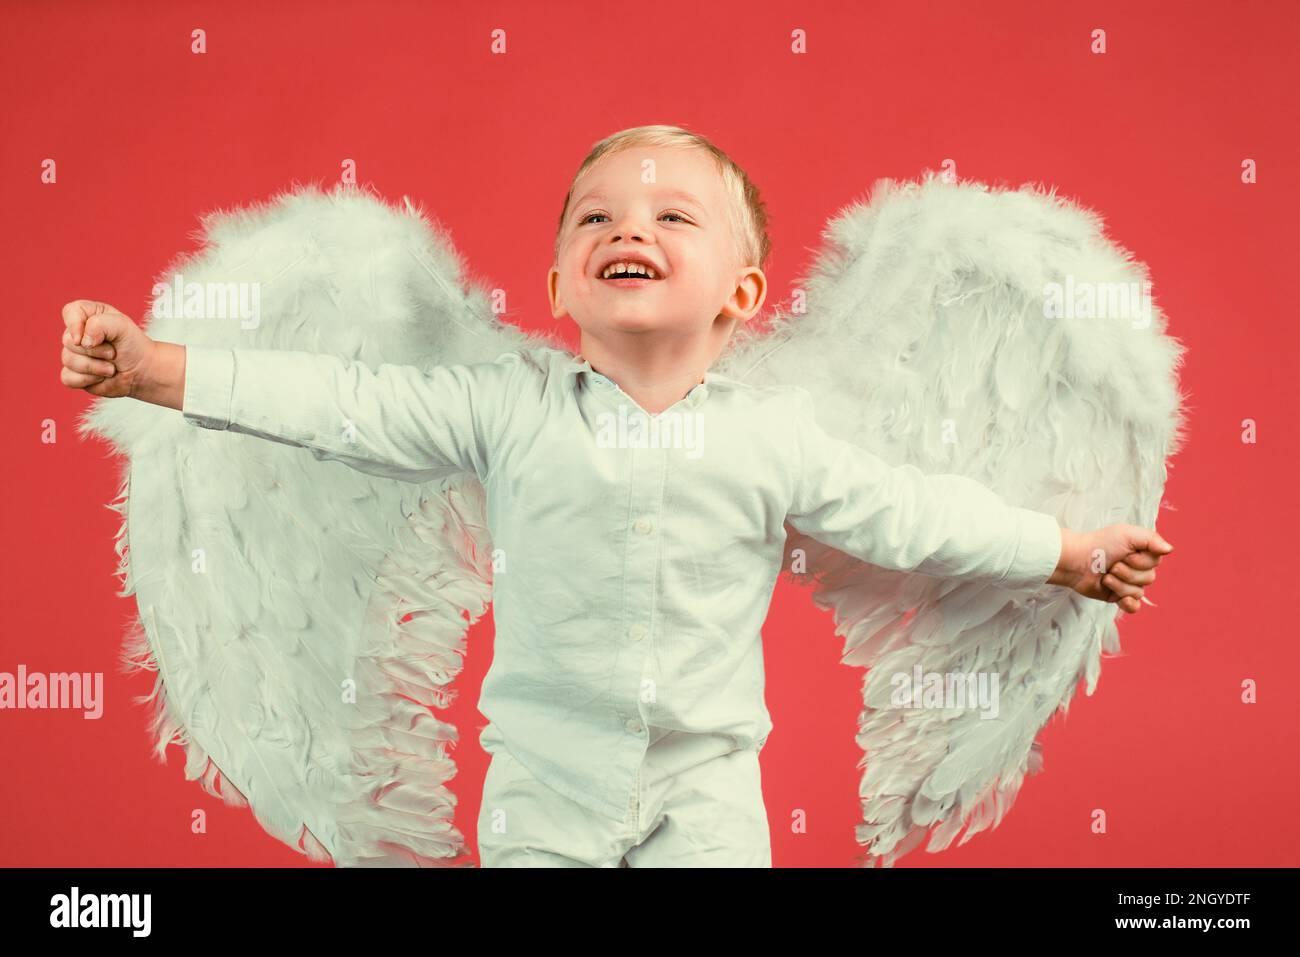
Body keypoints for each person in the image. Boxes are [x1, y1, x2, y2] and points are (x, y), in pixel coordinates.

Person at [58, 125, 1172, 867]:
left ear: (742, 292)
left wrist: (1062, 550)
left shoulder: (775, 437)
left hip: (711, 803)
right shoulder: (501, 407)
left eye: (672, 217)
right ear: (556, 283)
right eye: (594, 218)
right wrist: (156, 369)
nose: (628, 228)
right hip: (542, 798)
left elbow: (915, 513)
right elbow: (340, 400)